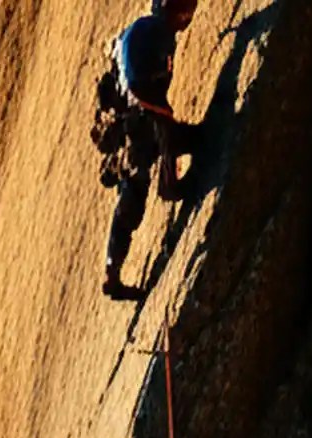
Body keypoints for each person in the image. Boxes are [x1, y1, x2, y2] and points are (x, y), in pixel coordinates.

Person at [91, 0, 198, 299]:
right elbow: (136, 84)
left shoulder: (149, 29)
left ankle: (112, 273)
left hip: (131, 118)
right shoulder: (153, 31)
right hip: (134, 120)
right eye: (185, 9)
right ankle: (170, 186)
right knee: (135, 187)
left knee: (134, 189)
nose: (188, 15)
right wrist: (161, 111)